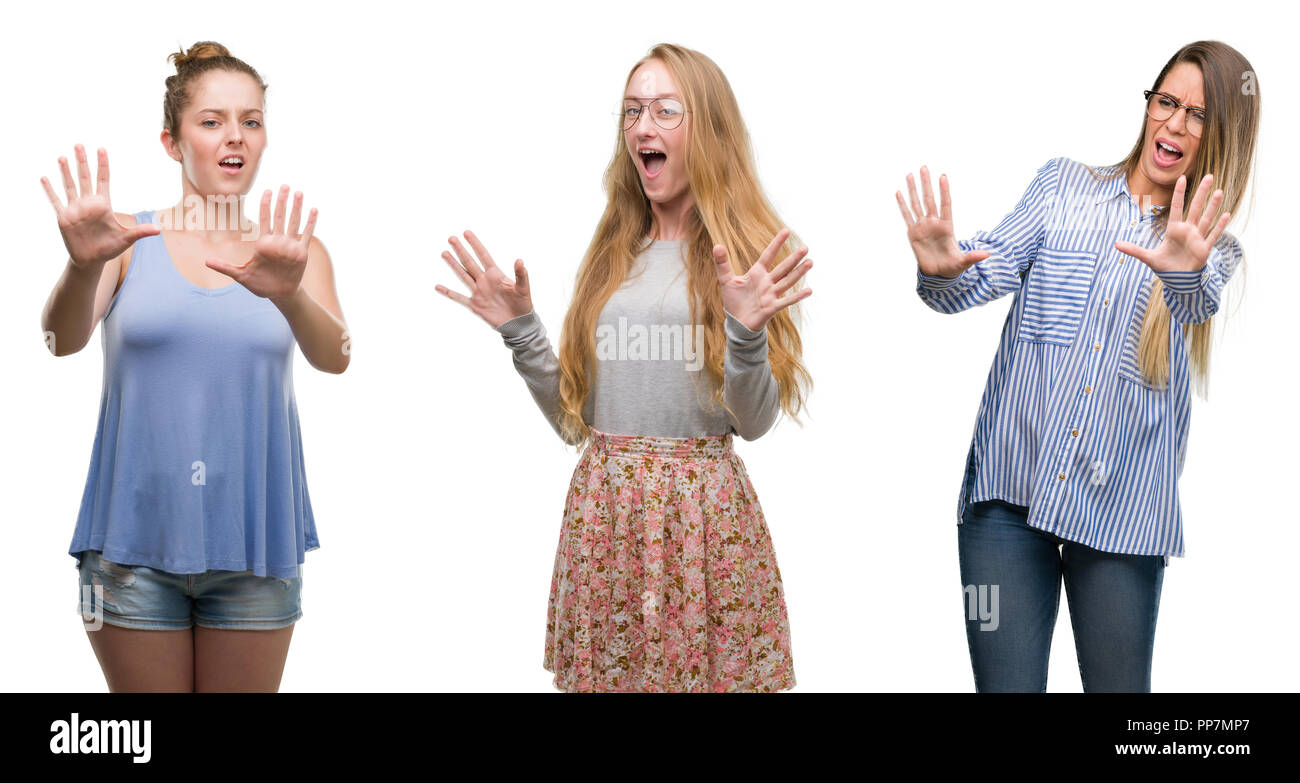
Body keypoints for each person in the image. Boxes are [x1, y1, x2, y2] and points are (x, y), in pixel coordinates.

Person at [436, 43, 812, 692]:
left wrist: (746, 332)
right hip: (606, 520)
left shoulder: (746, 259)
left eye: (667, 110)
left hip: (701, 524)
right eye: (633, 111)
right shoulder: (612, 254)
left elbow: (753, 423)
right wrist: (521, 332)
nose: (644, 127)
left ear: (710, 128)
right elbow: (575, 423)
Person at [896, 40, 1259, 692]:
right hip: (1007, 499)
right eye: (1165, 102)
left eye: (1197, 115)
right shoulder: (1063, 184)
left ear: (1224, 133)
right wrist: (940, 269)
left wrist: (1183, 268)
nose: (1173, 124)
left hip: (1123, 514)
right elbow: (983, 271)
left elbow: (1196, 299)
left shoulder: (1214, 251)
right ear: (1148, 106)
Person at [40, 41, 349, 692]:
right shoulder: (125, 241)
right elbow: (59, 340)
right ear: (172, 141)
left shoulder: (295, 252)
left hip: (256, 550)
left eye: (251, 120)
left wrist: (288, 292)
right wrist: (81, 263)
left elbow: (336, 358)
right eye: (211, 121)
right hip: (130, 550)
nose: (234, 137)